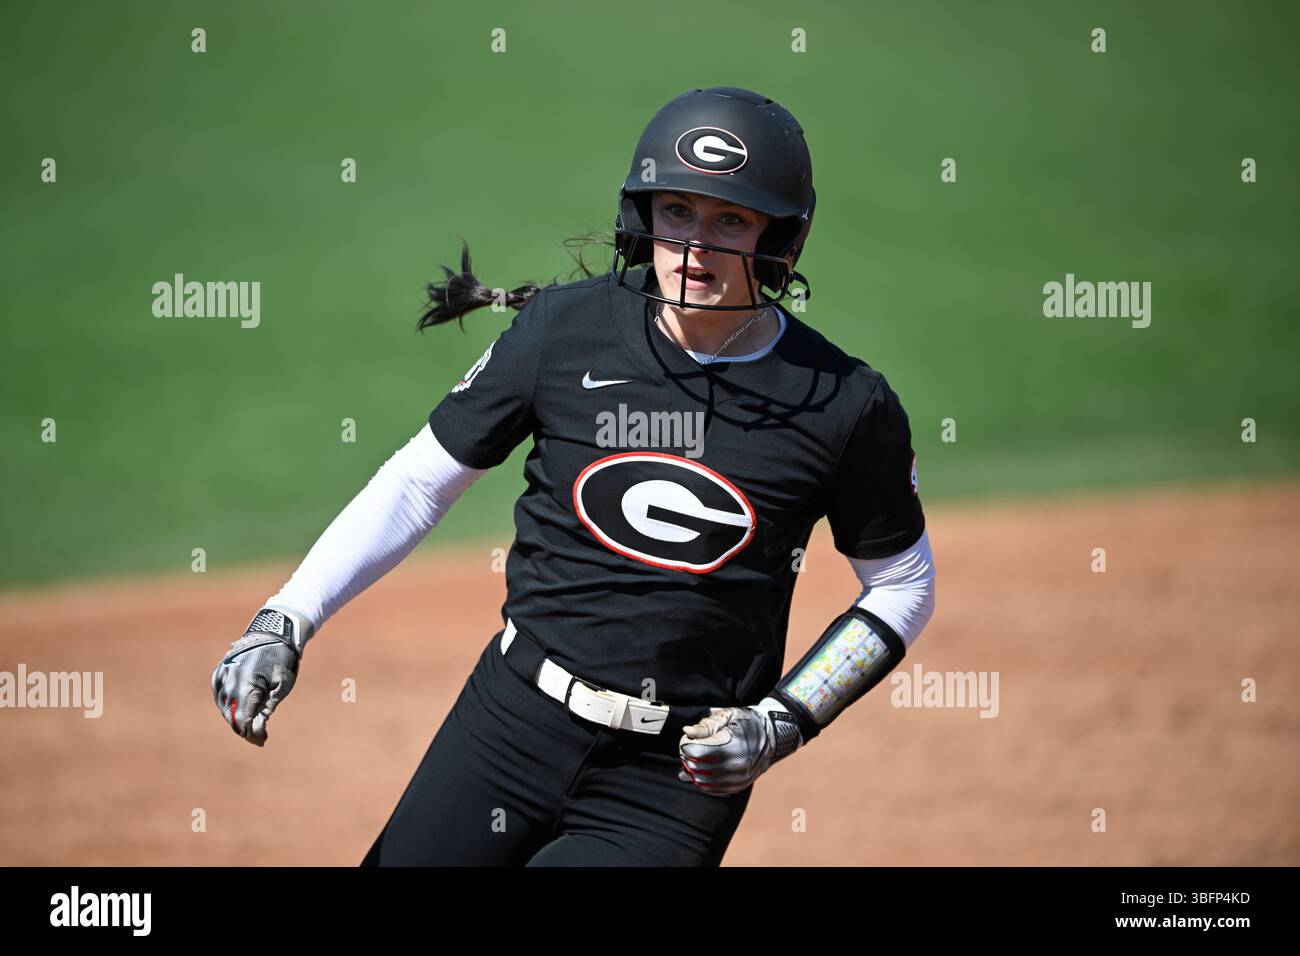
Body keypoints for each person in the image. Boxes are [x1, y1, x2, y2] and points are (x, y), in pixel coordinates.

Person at [210, 86, 937, 866]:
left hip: (672, 784)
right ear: (641, 215)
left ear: (782, 239)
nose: (695, 245)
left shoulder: (841, 404)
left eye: (731, 220)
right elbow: (418, 483)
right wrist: (287, 616)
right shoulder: (565, 331)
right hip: (509, 724)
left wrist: (782, 721)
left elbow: (901, 583)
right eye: (677, 211)